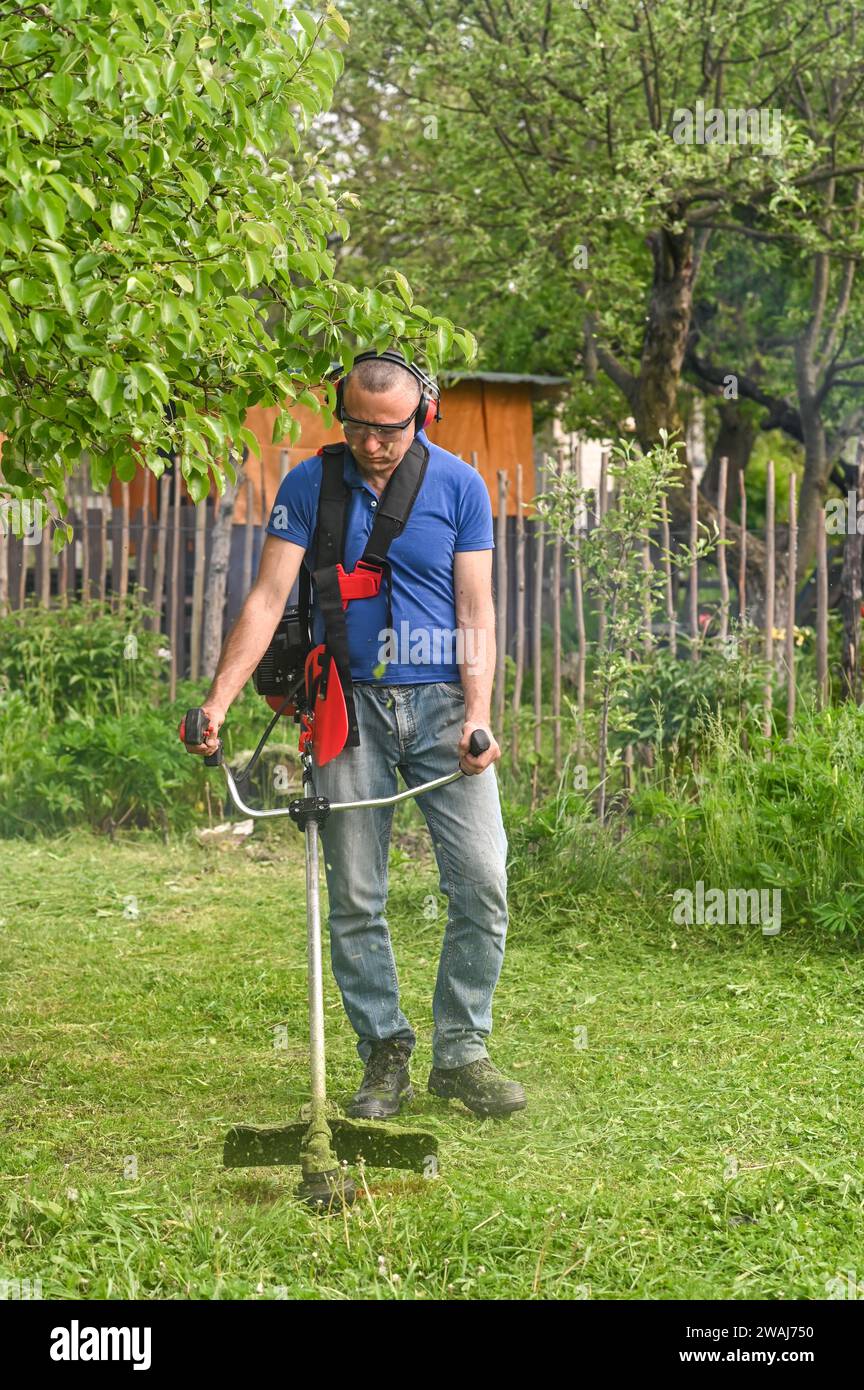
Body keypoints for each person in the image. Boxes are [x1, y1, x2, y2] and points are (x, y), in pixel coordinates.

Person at [185, 351, 525, 1120]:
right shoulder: (310, 485)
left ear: (423, 416)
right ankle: (385, 1053)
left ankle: (463, 1052)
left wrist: (478, 714)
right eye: (359, 427)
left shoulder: (461, 488)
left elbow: (476, 613)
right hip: (350, 707)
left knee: (483, 883)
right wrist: (217, 703)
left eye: (391, 429)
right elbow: (269, 597)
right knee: (356, 895)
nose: (374, 443)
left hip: (442, 707)